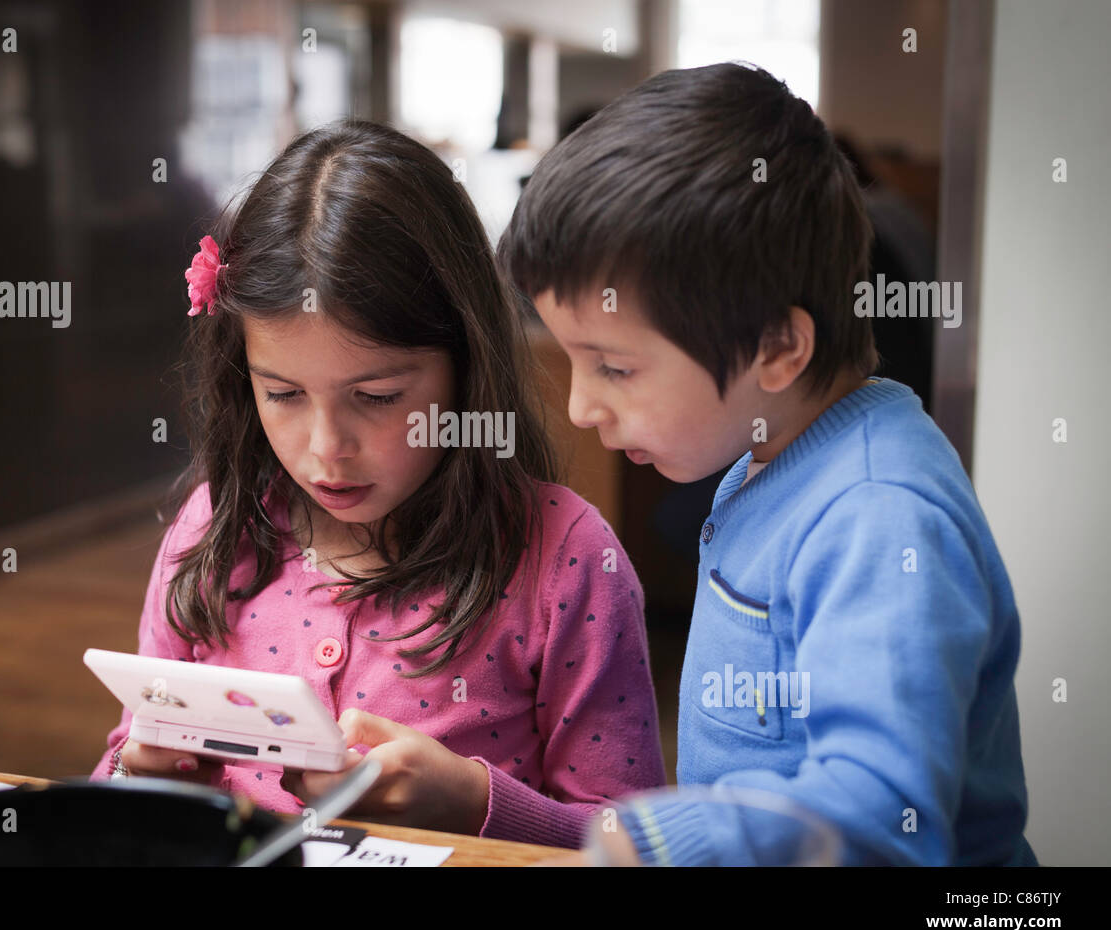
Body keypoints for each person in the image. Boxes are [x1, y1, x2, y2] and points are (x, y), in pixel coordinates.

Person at [497, 63, 1036, 865]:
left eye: (613, 367)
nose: (580, 407)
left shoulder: (881, 516)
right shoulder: (766, 452)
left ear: (779, 348)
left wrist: (659, 839)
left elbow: (881, 818)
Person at [89, 119, 666, 848]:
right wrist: (147, 778)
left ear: (465, 361)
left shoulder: (568, 558)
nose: (327, 449)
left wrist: (472, 804)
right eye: (283, 394)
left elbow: (636, 841)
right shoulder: (212, 527)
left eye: (379, 397)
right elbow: (121, 762)